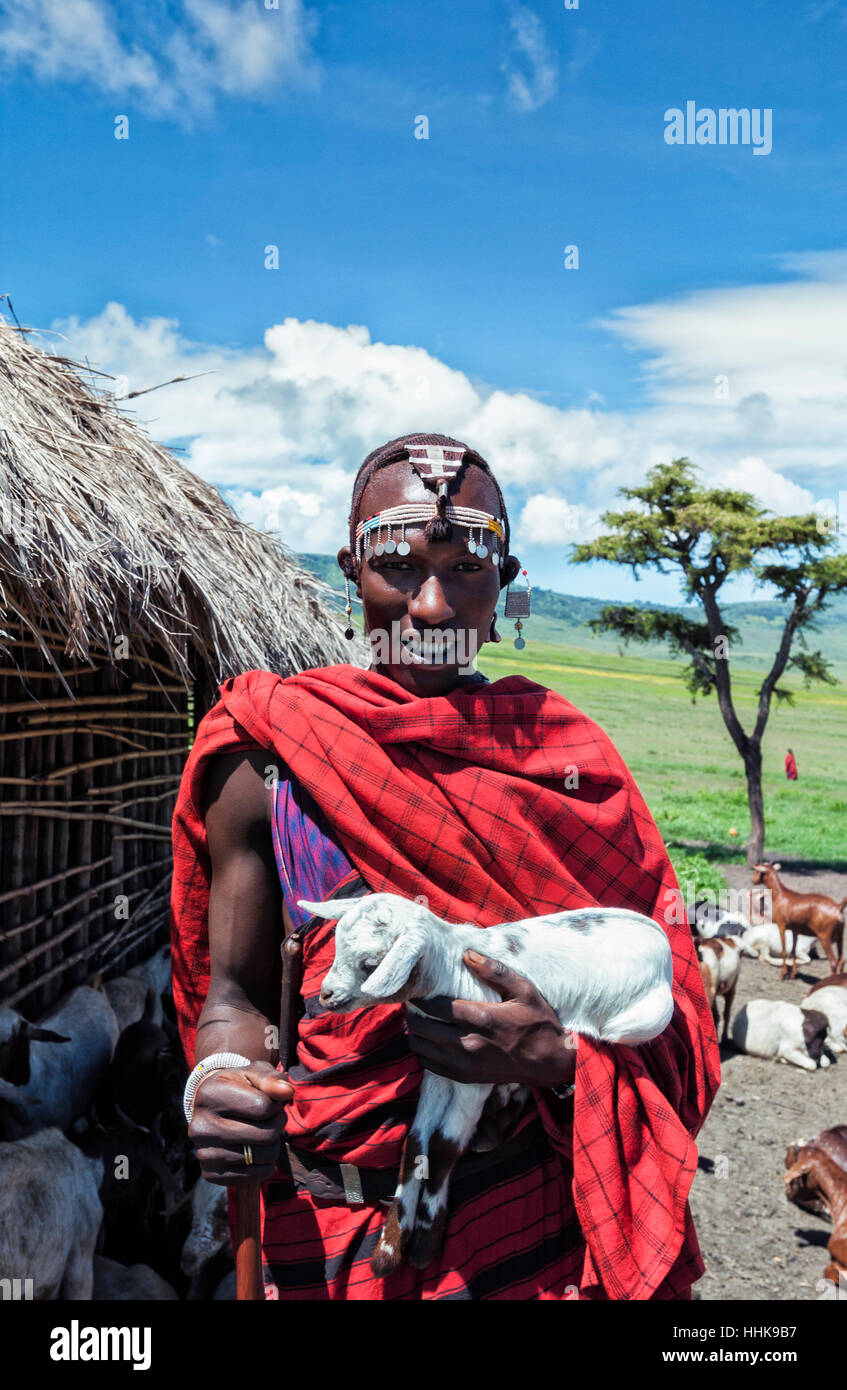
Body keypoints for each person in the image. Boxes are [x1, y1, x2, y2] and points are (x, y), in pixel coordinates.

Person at [170, 432, 720, 1301]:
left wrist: (562, 1058)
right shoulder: (267, 756)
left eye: (467, 567)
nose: (431, 607)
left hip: (532, 1228)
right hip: (325, 1230)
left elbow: (672, 1006)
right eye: (399, 566)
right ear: (351, 570)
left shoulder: (569, 764)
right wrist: (221, 1081)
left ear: (505, 585)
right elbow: (234, 999)